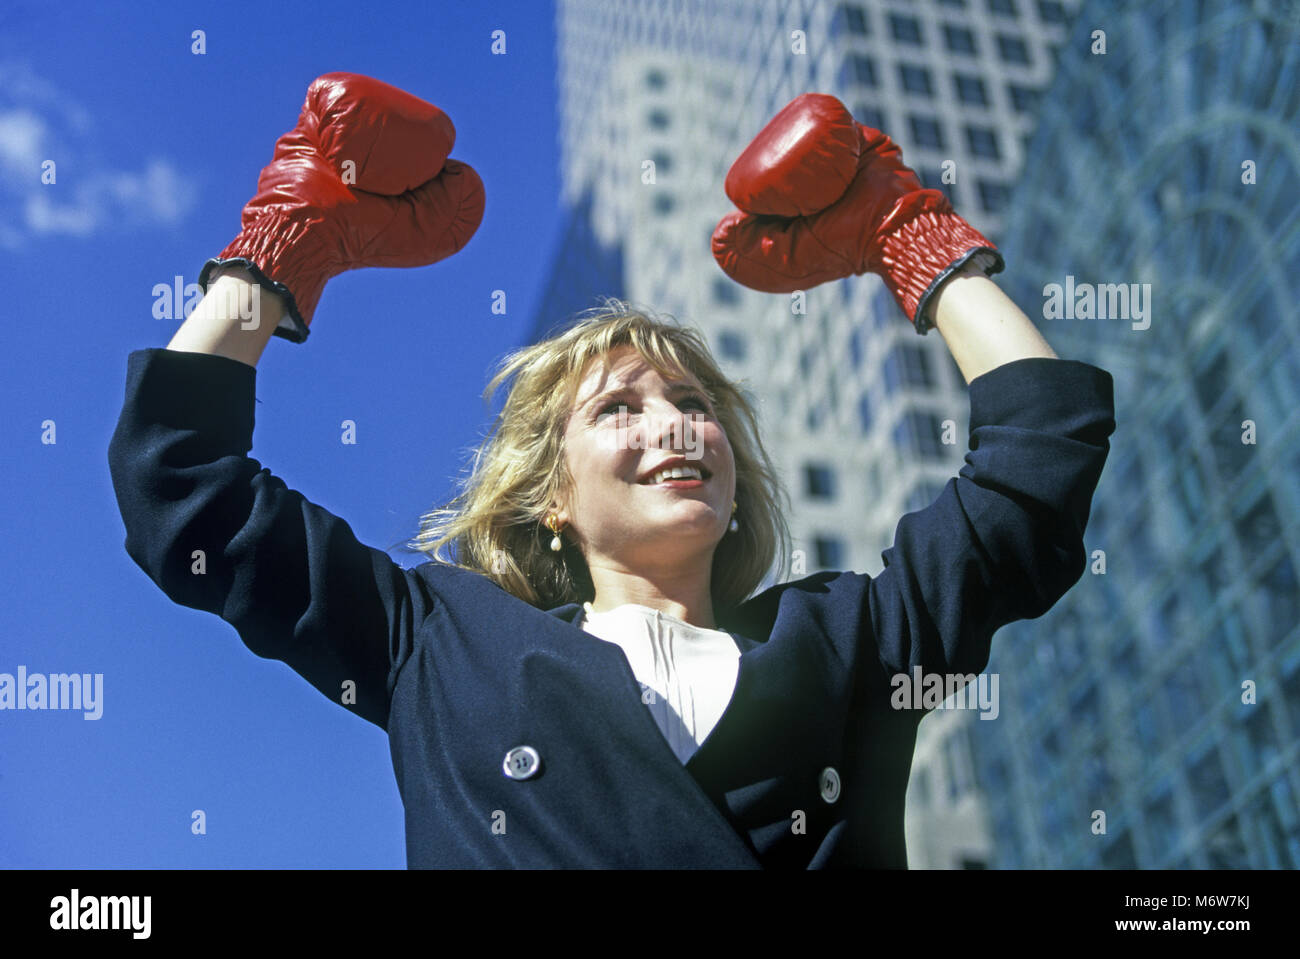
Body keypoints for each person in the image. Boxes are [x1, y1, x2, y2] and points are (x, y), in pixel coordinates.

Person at [108, 75, 1115, 868]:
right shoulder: (436, 640)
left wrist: (913, 238)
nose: (677, 427)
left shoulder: (849, 635)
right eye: (619, 409)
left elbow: (1032, 475)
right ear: (549, 493)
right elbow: (184, 492)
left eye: (697, 406)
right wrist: (283, 246)